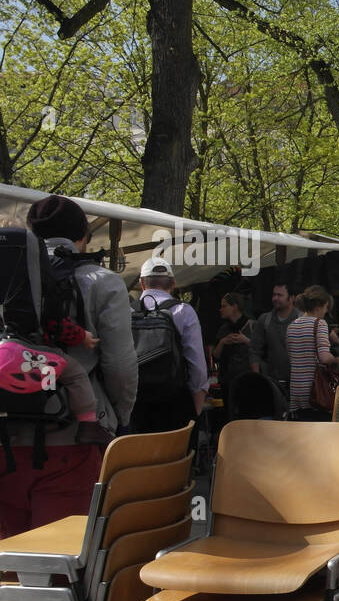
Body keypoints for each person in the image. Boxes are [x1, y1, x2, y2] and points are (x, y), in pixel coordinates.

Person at [0, 197, 138, 535]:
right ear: (83, 237)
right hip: (74, 435)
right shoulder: (103, 281)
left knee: (7, 559)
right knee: (60, 554)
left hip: (5, 434)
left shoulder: (5, 274)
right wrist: (119, 418)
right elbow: (120, 364)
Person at [129, 257, 207, 434]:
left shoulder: (128, 311)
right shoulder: (184, 311)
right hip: (175, 401)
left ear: (141, 283)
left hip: (136, 402)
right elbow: (197, 364)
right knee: (176, 460)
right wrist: (196, 407)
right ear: (173, 284)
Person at [286, 285, 339, 419]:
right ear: (319, 306)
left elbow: (291, 358)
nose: (325, 311)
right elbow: (324, 357)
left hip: (295, 390)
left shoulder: (291, 326)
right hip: (315, 390)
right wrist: (336, 359)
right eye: (325, 307)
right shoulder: (320, 324)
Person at [249, 281, 300, 398]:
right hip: (272, 384)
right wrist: (257, 377)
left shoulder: (302, 318)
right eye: (274, 295)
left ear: (292, 298)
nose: (275, 298)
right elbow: (254, 350)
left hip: (298, 384)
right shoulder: (265, 320)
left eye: (280, 295)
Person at [212, 292, 255, 389]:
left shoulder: (253, 326)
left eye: (224, 306)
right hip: (227, 380)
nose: (220, 309)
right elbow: (215, 356)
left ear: (235, 307)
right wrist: (222, 342)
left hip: (248, 380)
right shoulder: (223, 329)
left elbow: (263, 351)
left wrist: (246, 341)